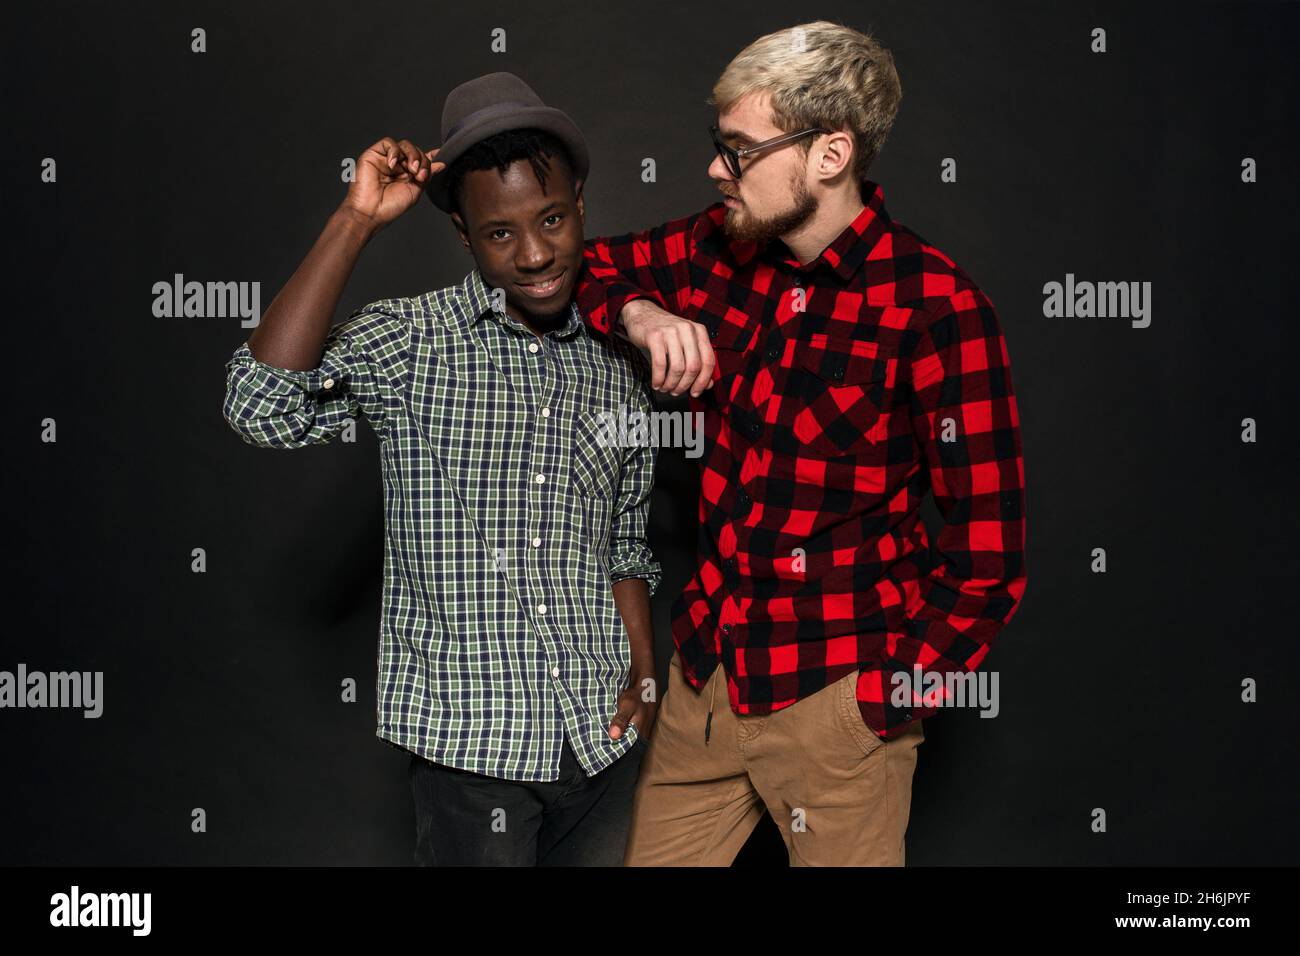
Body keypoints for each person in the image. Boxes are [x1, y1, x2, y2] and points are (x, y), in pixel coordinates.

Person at [573, 20, 1029, 865]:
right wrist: (642, 313)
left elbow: (989, 560)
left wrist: (881, 704)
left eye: (740, 148)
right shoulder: (716, 249)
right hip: (707, 680)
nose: (717, 167)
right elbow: (581, 267)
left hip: (837, 702)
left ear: (829, 156)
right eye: (720, 143)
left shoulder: (936, 308)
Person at [222, 72, 660, 866]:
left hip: (601, 741)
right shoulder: (411, 341)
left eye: (552, 219)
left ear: (582, 207)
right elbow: (260, 405)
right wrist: (356, 219)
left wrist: (643, 676)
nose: (534, 254)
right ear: (463, 235)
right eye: (500, 234)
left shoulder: (617, 363)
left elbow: (625, 541)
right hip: (473, 751)